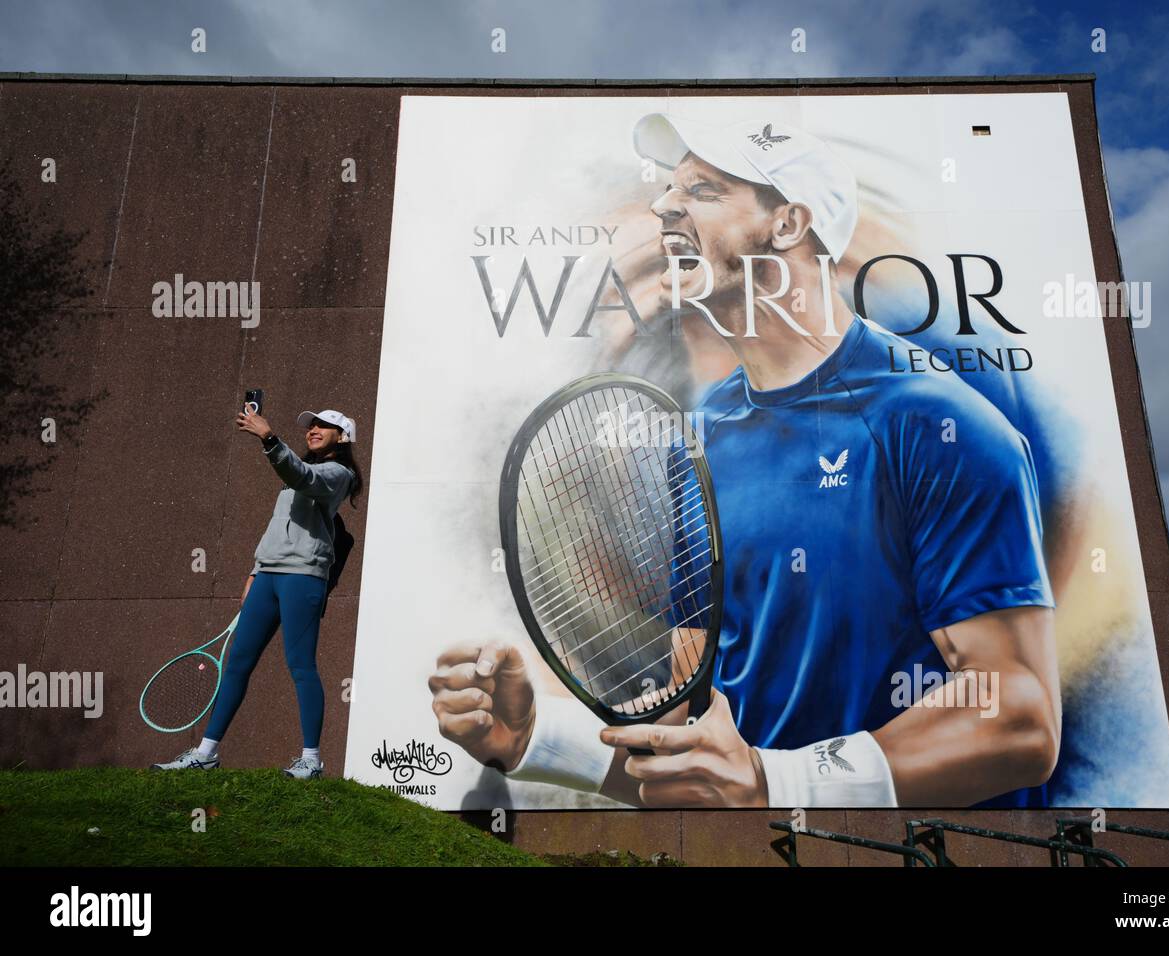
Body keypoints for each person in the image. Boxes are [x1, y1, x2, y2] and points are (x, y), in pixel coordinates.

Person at [429, 115, 1060, 808]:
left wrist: (770, 784)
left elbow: (1019, 716)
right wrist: (536, 738)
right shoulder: (701, 435)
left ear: (788, 224)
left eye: (701, 189)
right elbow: (691, 738)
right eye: (667, 189)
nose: (664, 206)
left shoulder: (939, 422)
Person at [152, 406, 363, 779]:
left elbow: (302, 476)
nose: (313, 429)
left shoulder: (337, 474)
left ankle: (311, 760)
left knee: (301, 666)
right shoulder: (299, 471)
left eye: (324, 426)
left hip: (303, 578)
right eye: (311, 425)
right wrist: (255, 571)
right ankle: (206, 753)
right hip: (268, 576)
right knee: (237, 664)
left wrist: (268, 437)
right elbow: (278, 521)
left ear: (342, 436)